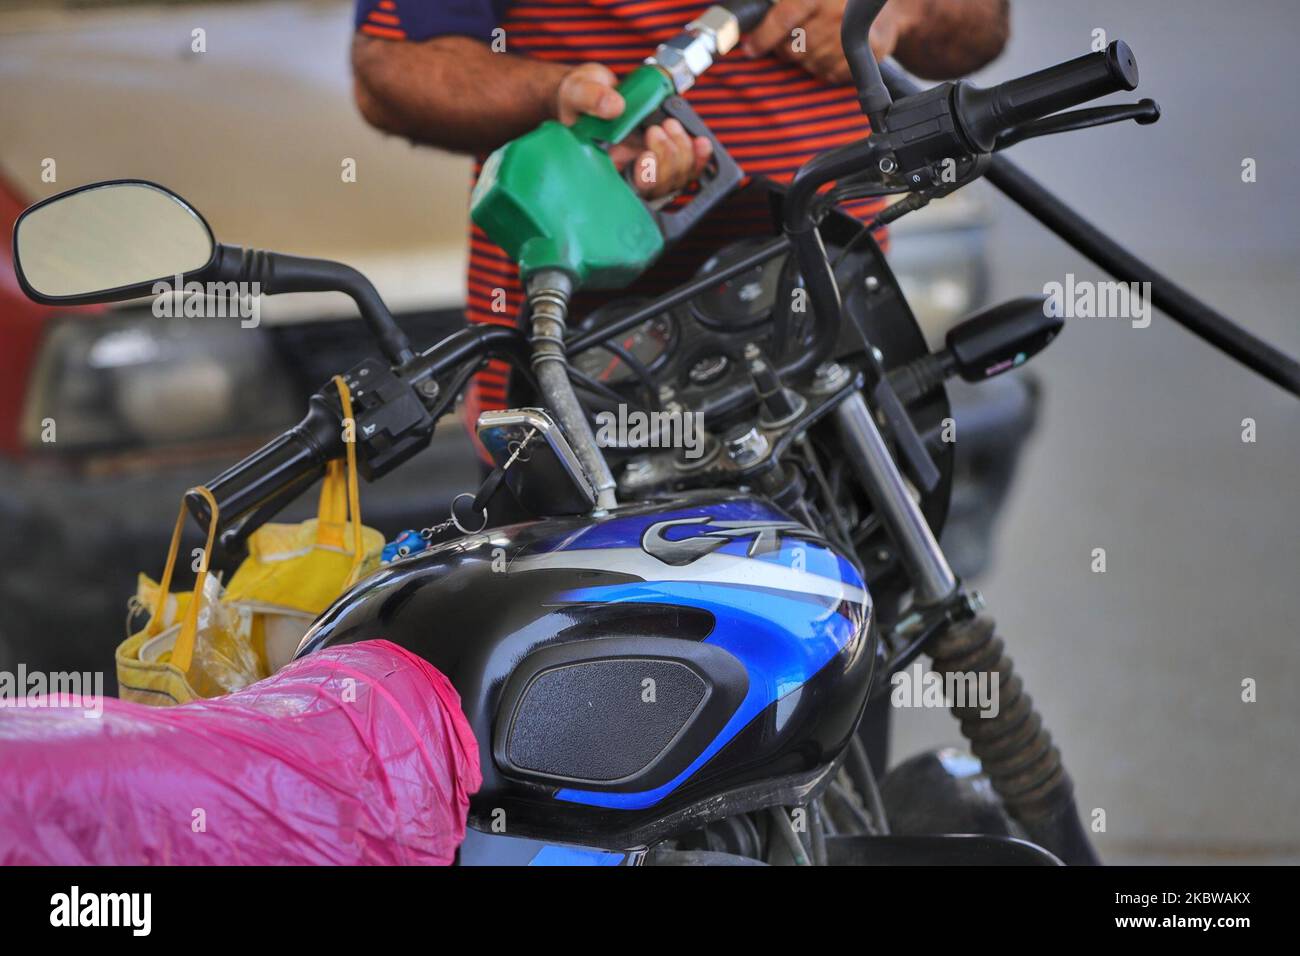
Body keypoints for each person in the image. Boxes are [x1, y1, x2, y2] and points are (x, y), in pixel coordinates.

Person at [350, 0, 1011, 425]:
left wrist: (900, 9)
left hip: (839, 346)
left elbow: (984, 27)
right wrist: (557, 99)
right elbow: (390, 66)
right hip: (583, 384)